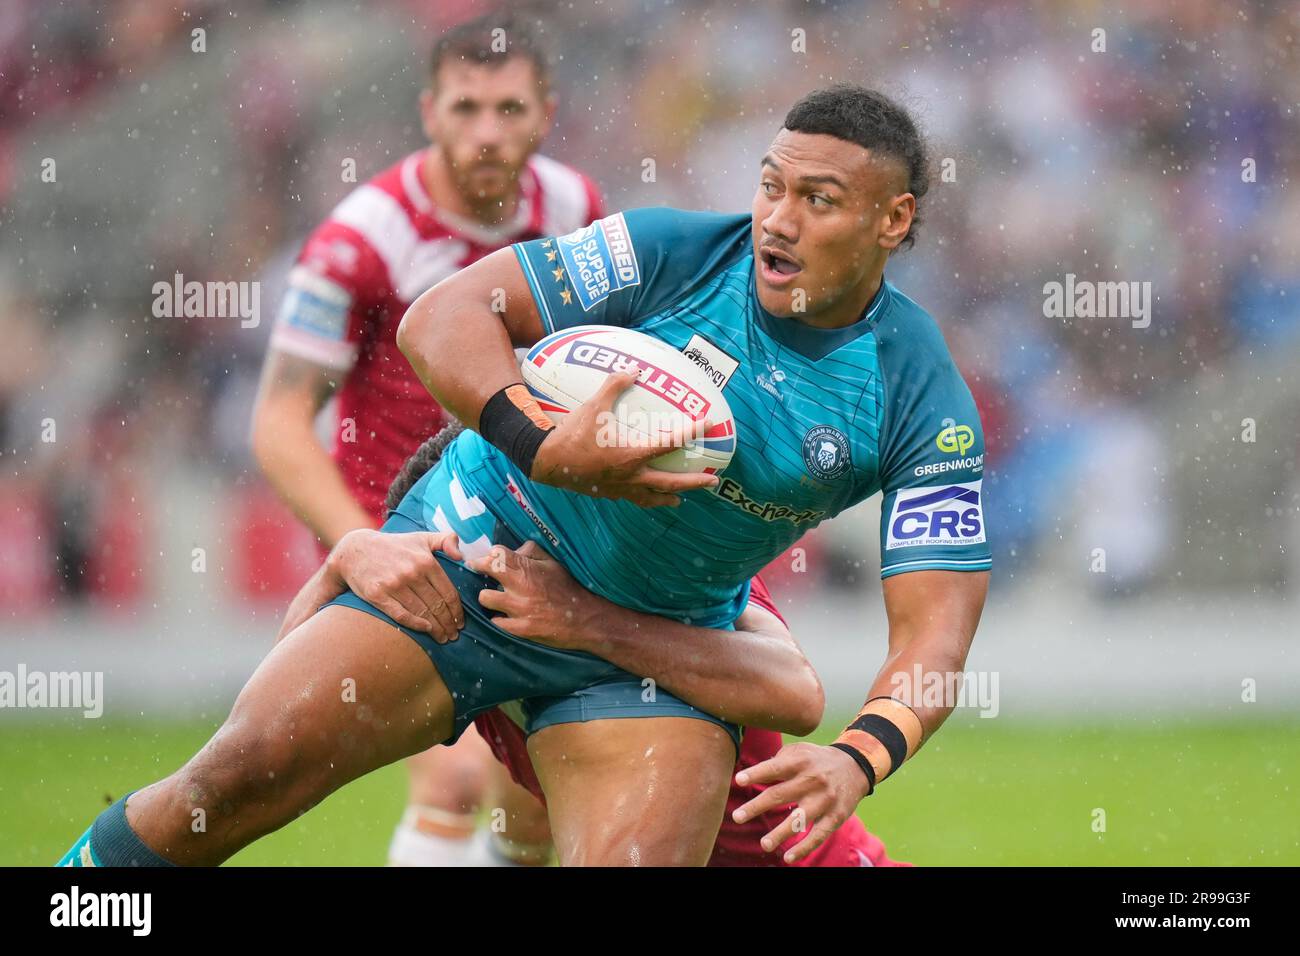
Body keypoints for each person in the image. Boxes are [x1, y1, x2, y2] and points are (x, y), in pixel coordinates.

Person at [57, 84, 989, 866]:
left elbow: (935, 644)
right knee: (228, 785)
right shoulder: (673, 250)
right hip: (474, 551)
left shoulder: (919, 397)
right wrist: (542, 446)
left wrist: (858, 761)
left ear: (891, 219)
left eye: (818, 200)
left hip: (653, 641)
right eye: (771, 186)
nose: (777, 221)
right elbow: (447, 315)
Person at [249, 13, 600, 866]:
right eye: (467, 108)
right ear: (429, 112)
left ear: (545, 113)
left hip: (517, 518)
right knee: (448, 781)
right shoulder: (362, 238)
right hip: (396, 523)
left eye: (509, 109)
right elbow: (278, 422)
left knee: (541, 802)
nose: (488, 132)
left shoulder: (574, 207)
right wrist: (361, 545)